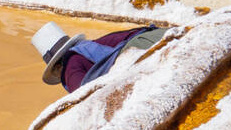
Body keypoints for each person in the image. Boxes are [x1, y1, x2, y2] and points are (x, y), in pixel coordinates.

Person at [31, 22, 169, 92]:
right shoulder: (86, 48)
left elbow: (81, 95)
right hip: (157, 33)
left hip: (141, 45)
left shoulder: (69, 65)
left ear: (56, 67)